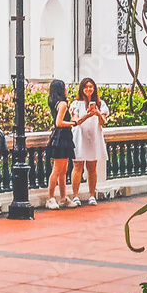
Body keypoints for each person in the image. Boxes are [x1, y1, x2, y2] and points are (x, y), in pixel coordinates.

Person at [69, 77, 109, 206]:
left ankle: (92, 194)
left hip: (93, 136)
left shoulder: (100, 104)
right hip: (80, 137)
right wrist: (87, 115)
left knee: (92, 167)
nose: (89, 89)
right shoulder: (76, 104)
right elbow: (75, 122)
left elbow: (103, 122)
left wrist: (97, 113)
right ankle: (75, 195)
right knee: (78, 166)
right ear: (82, 89)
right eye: (86, 87)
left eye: (91, 86)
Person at [45, 79, 75, 209]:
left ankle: (63, 197)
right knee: (58, 170)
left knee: (63, 170)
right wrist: (73, 123)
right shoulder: (62, 104)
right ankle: (51, 198)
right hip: (62, 136)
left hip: (60, 137)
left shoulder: (55, 103)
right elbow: (59, 122)